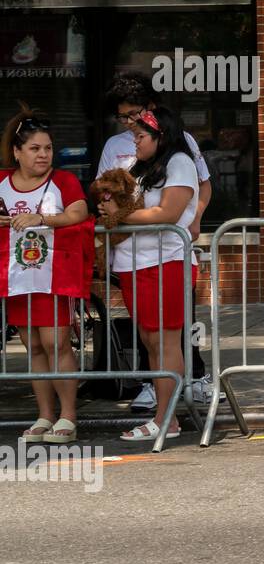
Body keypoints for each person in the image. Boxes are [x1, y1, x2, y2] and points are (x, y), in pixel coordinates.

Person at [96, 73, 220, 411]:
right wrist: (114, 217)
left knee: (169, 335)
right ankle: (160, 393)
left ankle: (180, 394)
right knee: (151, 336)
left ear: (151, 112)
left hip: (165, 256)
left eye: (135, 117)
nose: (129, 127)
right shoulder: (118, 149)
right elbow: (106, 193)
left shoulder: (179, 151)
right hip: (133, 256)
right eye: (123, 119)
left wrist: (192, 218)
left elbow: (179, 202)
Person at [100, 107, 200, 442]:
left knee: (165, 341)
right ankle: (164, 415)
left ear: (161, 137)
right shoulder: (141, 168)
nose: (135, 141)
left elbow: (168, 213)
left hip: (166, 261)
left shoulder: (180, 163)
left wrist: (120, 214)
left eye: (141, 136)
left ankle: (166, 419)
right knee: (150, 340)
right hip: (135, 264)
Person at [0, 108, 93, 444]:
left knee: (57, 344)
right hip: (17, 278)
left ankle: (68, 416)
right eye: (35, 148)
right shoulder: (2, 182)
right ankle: (44, 415)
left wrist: (42, 219)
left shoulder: (64, 180)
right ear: (17, 151)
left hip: (53, 277)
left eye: (48, 148)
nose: (43, 155)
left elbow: (78, 212)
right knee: (34, 348)